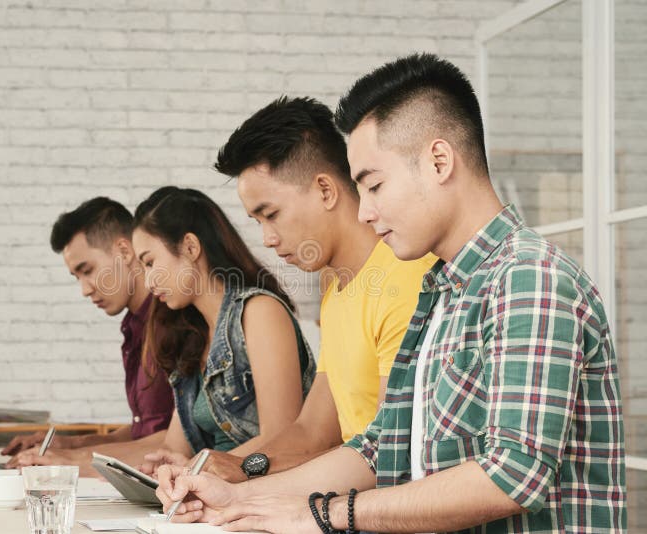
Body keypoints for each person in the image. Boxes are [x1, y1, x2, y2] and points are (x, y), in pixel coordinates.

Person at [155, 53, 627, 533]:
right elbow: (382, 444)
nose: (364, 212)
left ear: (439, 162)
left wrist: (324, 514)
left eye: (375, 186)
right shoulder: (439, 291)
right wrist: (240, 498)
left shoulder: (529, 277)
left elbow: (513, 475)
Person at [144, 96, 433, 481]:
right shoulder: (337, 293)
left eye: (272, 214)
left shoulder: (404, 276)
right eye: (257, 220)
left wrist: (255, 496)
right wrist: (229, 468)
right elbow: (312, 433)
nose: (266, 238)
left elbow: (388, 453)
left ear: (325, 190)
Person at [131, 186, 316, 467]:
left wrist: (198, 468)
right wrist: (161, 468)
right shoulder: (193, 336)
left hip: (262, 490)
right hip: (216, 491)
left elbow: (281, 437)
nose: (148, 281)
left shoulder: (259, 313)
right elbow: (173, 446)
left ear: (191, 248)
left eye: (150, 262)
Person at [4, 197, 174, 470]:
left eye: (88, 271)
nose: (85, 289)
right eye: (76, 277)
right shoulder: (134, 327)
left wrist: (72, 460)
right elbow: (145, 429)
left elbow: (177, 440)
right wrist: (69, 444)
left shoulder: (172, 320)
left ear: (124, 251)